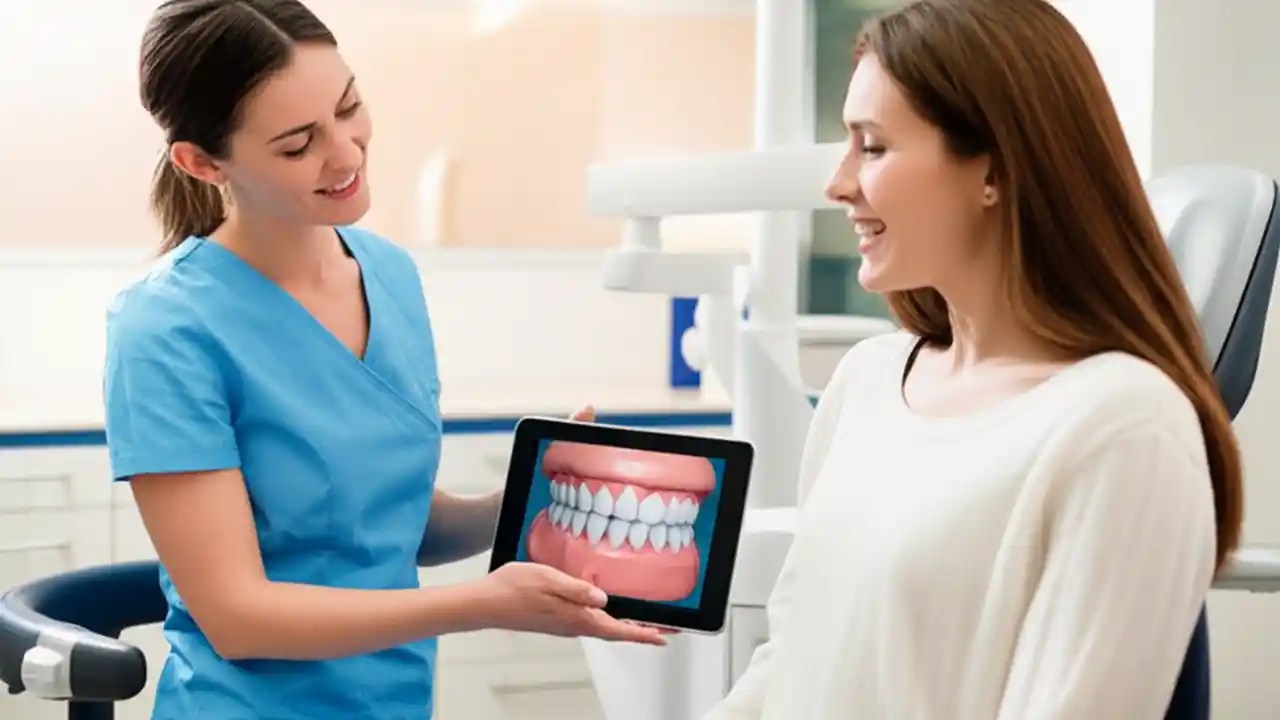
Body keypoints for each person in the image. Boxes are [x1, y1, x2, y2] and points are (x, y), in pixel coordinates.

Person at [104, 1, 665, 718]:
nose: (346, 154)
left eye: (349, 108)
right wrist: (481, 605)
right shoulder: (166, 329)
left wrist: (535, 492)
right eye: (298, 143)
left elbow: (389, 527)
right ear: (202, 161)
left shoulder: (387, 274)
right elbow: (236, 617)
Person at [705, 1, 1243, 718]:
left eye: (872, 146)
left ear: (992, 169)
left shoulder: (1123, 429)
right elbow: (790, 662)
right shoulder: (865, 381)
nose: (837, 183)